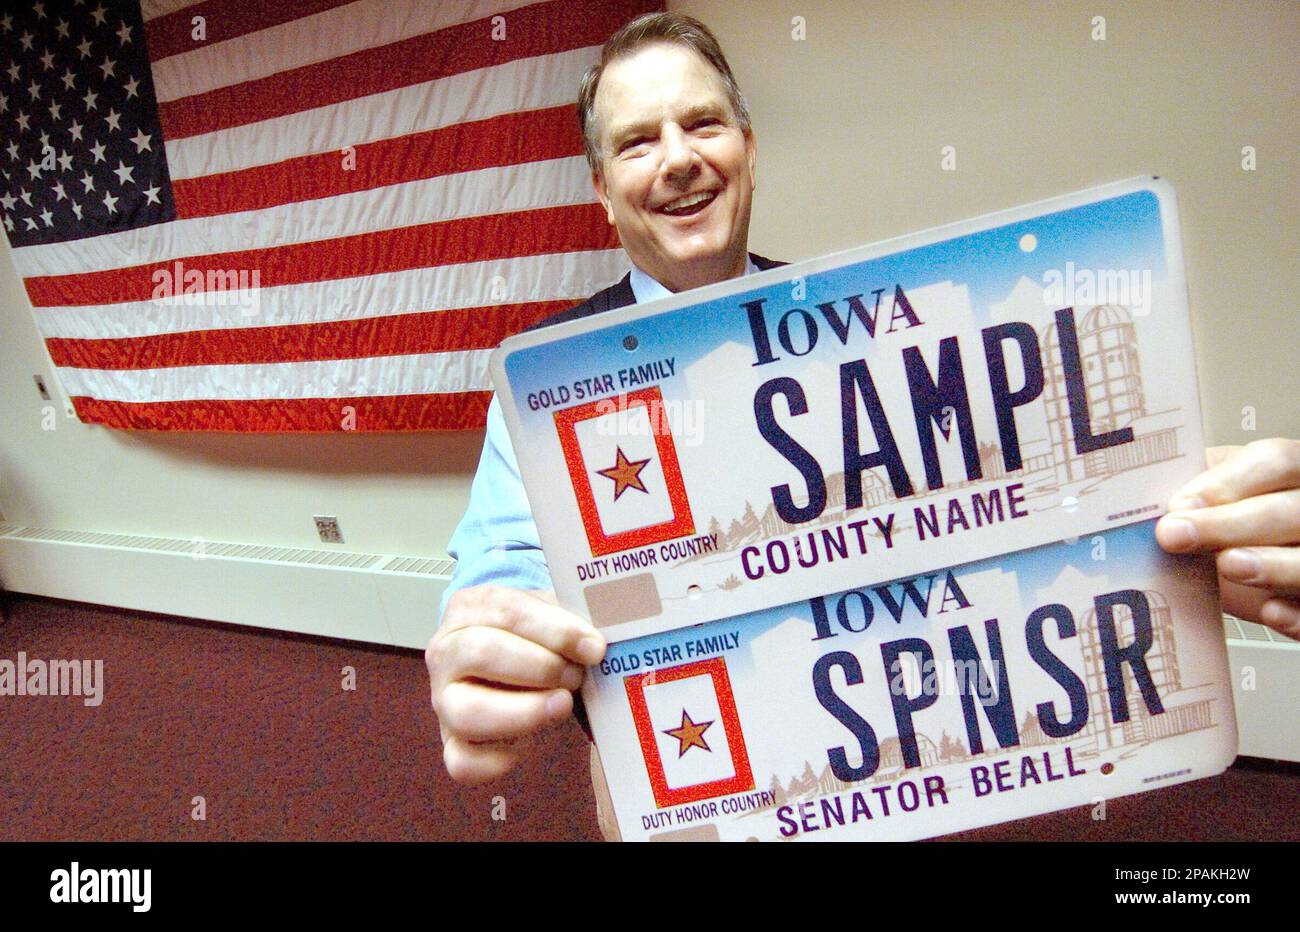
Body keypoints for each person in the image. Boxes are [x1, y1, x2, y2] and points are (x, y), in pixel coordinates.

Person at [425, 11, 1300, 815]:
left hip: (868, 788)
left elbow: (1010, 485)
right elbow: (502, 571)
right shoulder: (547, 381)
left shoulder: (866, 337)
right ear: (604, 190)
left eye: (702, 124)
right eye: (637, 143)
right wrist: (489, 639)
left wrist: (1181, 504)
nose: (678, 158)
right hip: (661, 790)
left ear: (749, 150)